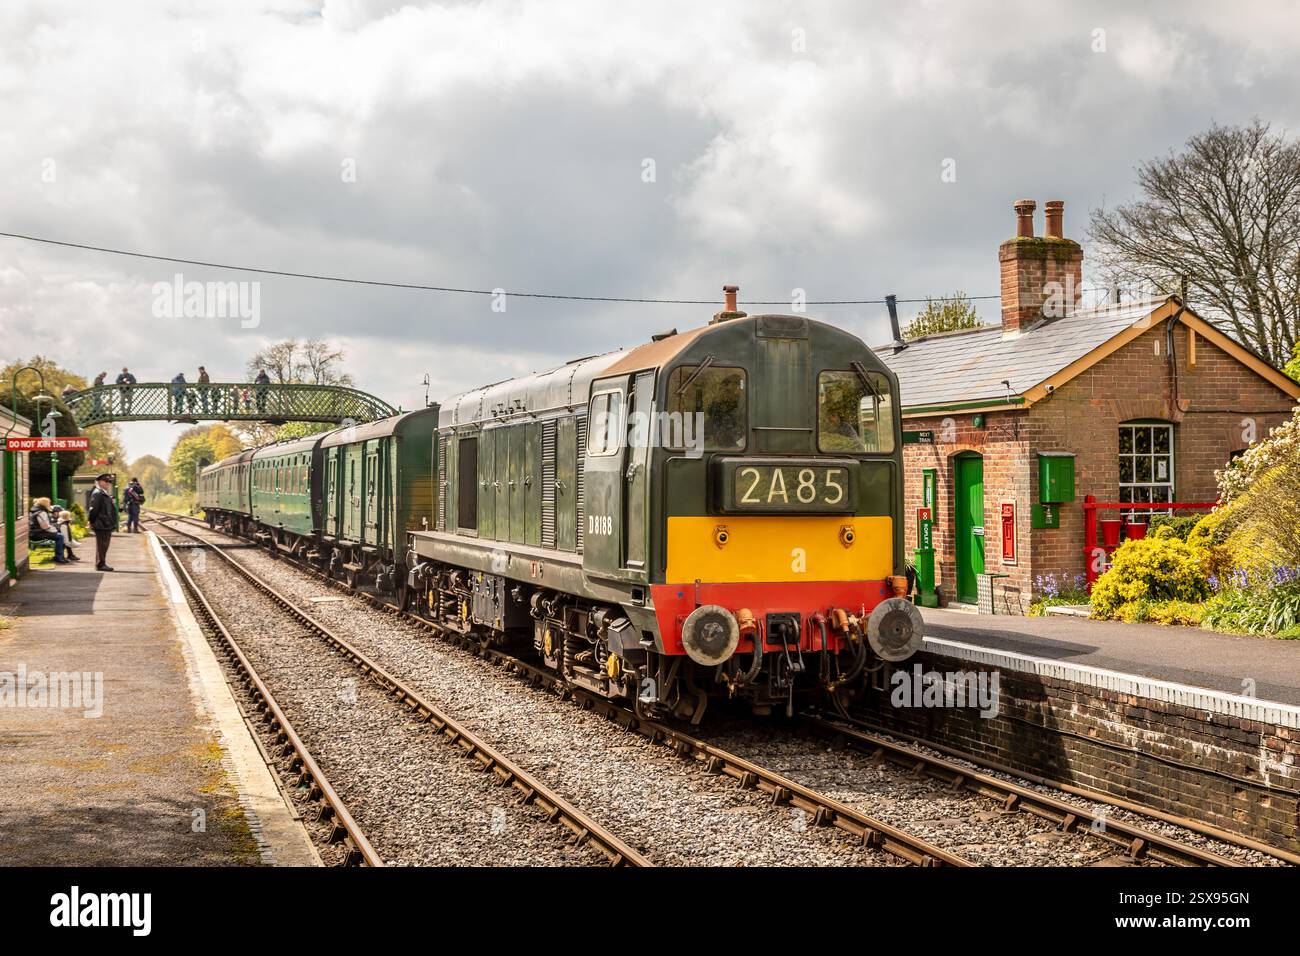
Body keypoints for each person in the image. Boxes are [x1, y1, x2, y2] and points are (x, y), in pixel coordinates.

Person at [88, 473, 118, 571]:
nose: (108, 484)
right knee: (102, 545)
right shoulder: (98, 493)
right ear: (100, 482)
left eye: (109, 482)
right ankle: (100, 564)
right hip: (101, 523)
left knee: (103, 545)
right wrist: (91, 521)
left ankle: (100, 563)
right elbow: (94, 509)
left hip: (104, 523)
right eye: (106, 481)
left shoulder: (102, 493)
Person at [28, 497, 72, 564]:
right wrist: (55, 530)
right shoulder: (41, 512)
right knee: (60, 537)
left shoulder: (34, 511)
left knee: (60, 535)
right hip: (38, 533)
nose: (49, 505)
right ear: (45, 504)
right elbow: (45, 526)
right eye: (49, 503)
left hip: (33, 533)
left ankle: (61, 556)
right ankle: (59, 557)